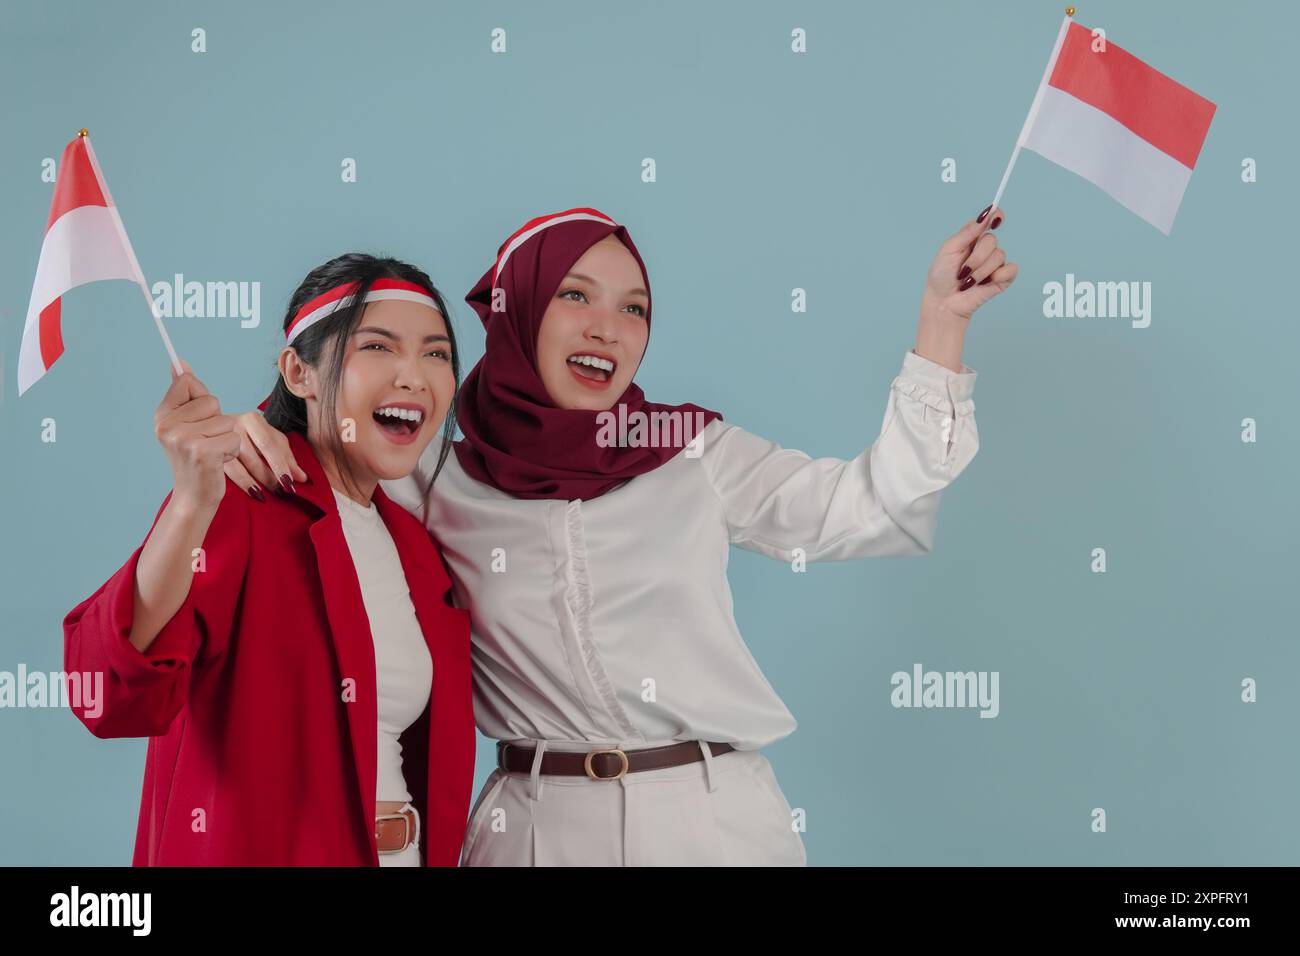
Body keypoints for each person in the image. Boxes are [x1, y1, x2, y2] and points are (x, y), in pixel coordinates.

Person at [224, 205, 1016, 865]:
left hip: (713, 825)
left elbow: (874, 507)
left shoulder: (692, 453)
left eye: (633, 307)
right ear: (519, 309)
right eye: (576, 296)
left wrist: (940, 327)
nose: (608, 327)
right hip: (531, 829)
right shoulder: (434, 477)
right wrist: (251, 432)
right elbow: (333, 457)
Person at [64, 254, 476, 866]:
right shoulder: (241, 501)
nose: (414, 376)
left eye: (436, 353)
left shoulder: (417, 551)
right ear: (298, 373)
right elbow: (106, 691)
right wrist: (188, 506)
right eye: (378, 347)